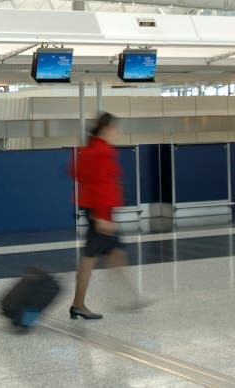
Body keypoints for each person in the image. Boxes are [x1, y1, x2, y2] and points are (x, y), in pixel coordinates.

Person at [70, 112, 141, 320]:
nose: (117, 132)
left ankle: (126, 297)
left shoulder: (90, 148)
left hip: (94, 209)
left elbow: (75, 172)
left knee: (115, 252)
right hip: (101, 213)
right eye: (115, 128)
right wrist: (102, 217)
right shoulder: (103, 151)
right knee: (89, 258)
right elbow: (102, 185)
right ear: (106, 129)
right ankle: (79, 304)